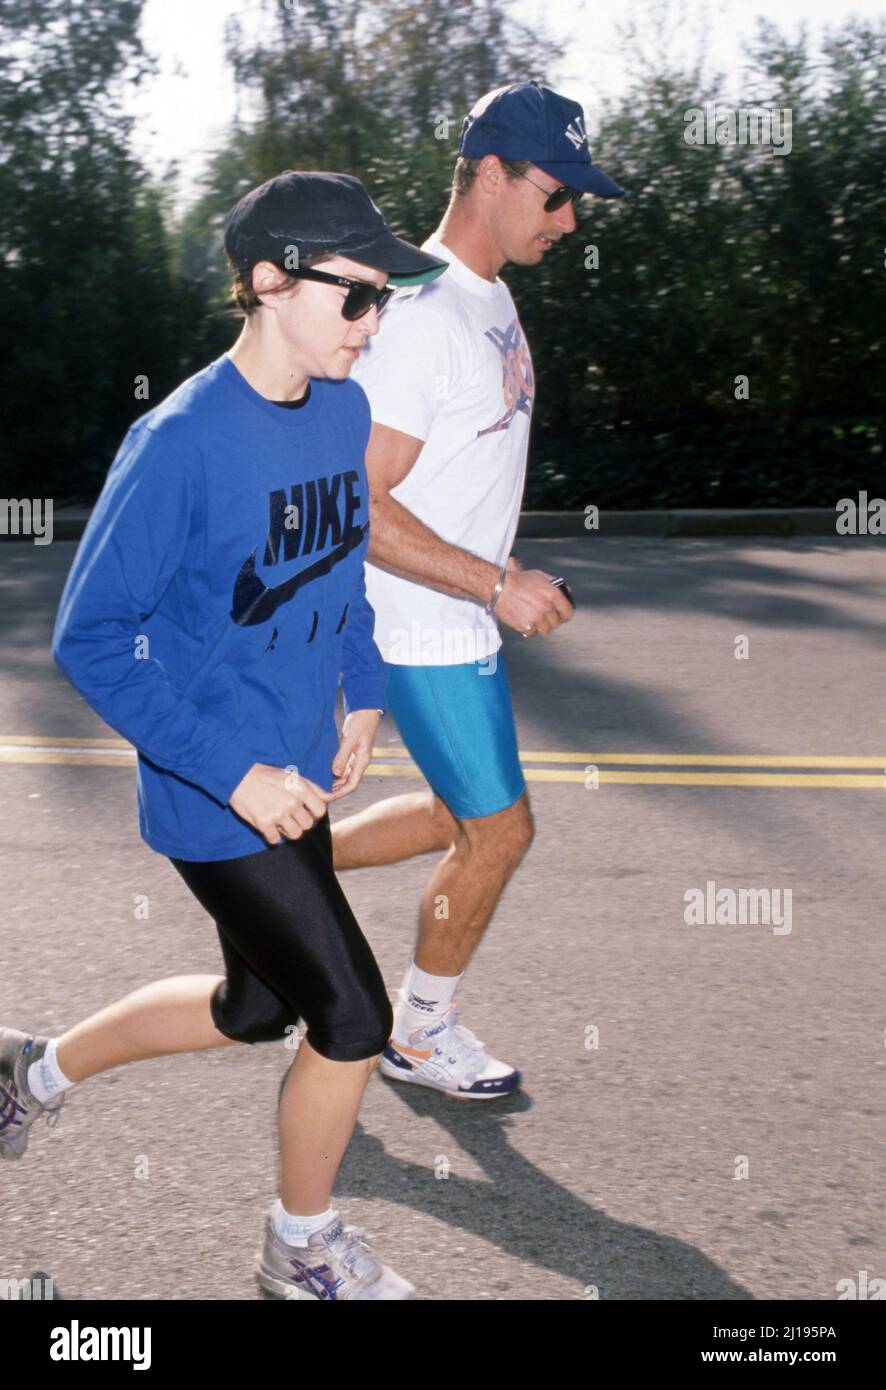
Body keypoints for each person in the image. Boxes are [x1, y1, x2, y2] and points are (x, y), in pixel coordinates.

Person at [0, 171, 448, 1301]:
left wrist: (362, 692)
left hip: (296, 775)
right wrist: (236, 774)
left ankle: (30, 1072)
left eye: (385, 298)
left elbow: (339, 576)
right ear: (268, 282)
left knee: (255, 1007)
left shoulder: (343, 411)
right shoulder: (181, 443)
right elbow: (93, 639)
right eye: (357, 298)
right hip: (217, 795)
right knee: (351, 1016)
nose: (375, 321)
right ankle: (299, 1248)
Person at [333, 81, 626, 1098]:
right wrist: (495, 581)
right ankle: (417, 1032)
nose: (569, 219)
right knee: (500, 830)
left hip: (456, 613)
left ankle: (292, 876)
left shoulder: (484, 294)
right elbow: (359, 506)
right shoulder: (420, 314)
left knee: (461, 815)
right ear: (490, 175)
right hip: (421, 622)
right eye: (555, 195)